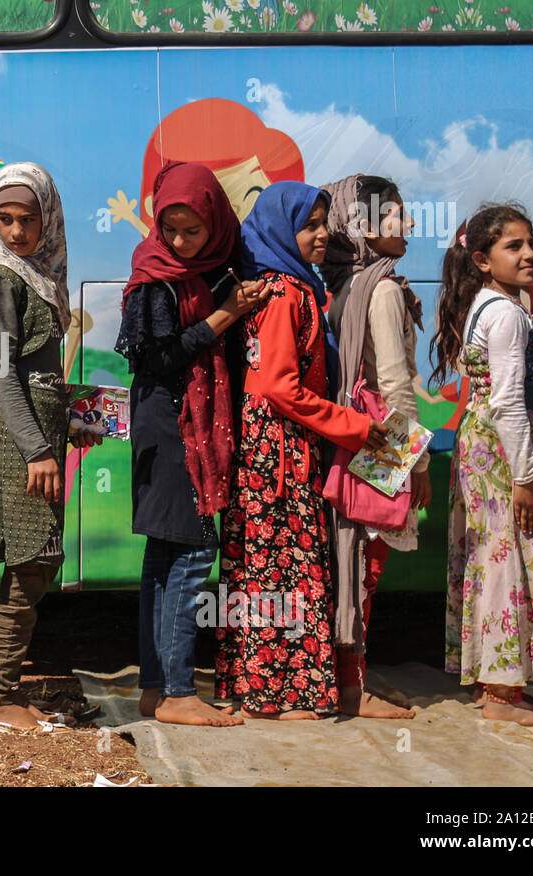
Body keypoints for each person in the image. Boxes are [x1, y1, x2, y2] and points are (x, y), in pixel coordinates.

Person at [214, 181, 387, 719]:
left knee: (267, 567)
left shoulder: (282, 286)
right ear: (279, 230)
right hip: (279, 451)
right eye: (308, 226)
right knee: (284, 567)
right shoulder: (286, 294)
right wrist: (353, 427)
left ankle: (264, 688)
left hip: (274, 446)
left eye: (322, 223)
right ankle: (280, 694)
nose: (320, 235)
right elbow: (279, 387)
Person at [115, 161, 261, 728]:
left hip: (178, 419)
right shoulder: (156, 273)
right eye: (168, 227)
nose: (176, 241)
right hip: (173, 420)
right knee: (196, 548)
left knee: (164, 553)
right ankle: (177, 691)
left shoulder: (216, 265)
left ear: (215, 222)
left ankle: (156, 688)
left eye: (191, 230)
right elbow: (156, 357)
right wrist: (224, 317)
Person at [430, 203, 533, 727]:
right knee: (506, 561)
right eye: (513, 246)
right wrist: (525, 477)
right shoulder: (501, 313)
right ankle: (501, 698)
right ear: (481, 258)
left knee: (504, 556)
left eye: (530, 242)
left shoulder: (497, 303)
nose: (530, 254)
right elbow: (507, 402)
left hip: (497, 449)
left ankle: (503, 683)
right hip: (505, 456)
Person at [0, 162, 101, 731]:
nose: (17, 231)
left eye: (29, 219)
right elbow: (0, 374)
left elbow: (38, 369)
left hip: (39, 432)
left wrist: (76, 418)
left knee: (39, 561)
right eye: (6, 218)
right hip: (15, 438)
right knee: (31, 561)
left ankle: (3, 693)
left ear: (49, 219)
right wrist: (36, 450)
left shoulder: (36, 271)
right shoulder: (1, 276)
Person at [318, 175, 430, 720]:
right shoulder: (381, 289)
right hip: (381, 439)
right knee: (367, 561)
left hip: (354, 435)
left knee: (353, 559)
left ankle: (350, 682)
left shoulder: (346, 282)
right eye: (396, 217)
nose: (408, 226)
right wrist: (418, 463)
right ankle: (351, 690)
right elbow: (395, 386)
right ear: (361, 224)